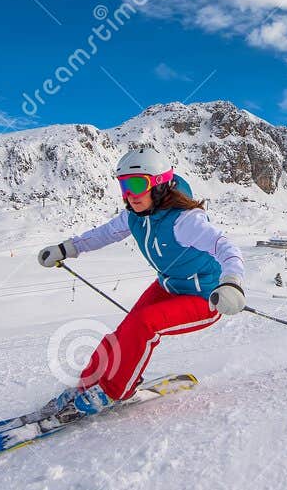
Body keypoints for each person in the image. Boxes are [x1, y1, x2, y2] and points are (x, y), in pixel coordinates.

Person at [37, 147, 245, 414]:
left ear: (159, 185)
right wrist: (66, 248)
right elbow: (104, 234)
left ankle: (114, 391)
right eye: (124, 185)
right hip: (168, 286)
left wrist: (232, 283)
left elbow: (226, 247)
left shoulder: (185, 221)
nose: (130, 194)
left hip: (206, 296)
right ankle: (87, 383)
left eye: (137, 185)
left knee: (144, 324)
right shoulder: (135, 216)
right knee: (124, 332)